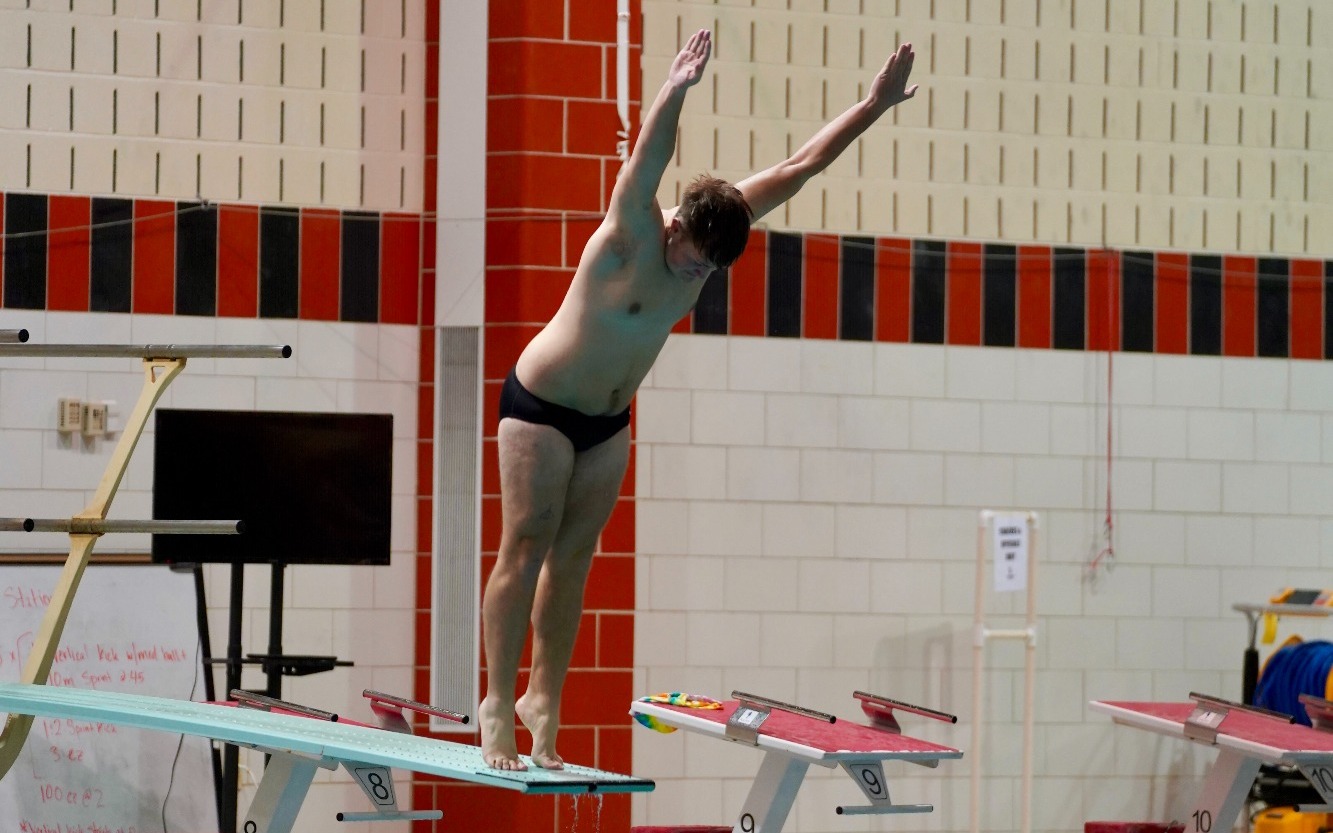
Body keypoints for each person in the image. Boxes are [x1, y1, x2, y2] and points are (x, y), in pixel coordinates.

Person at [479, 29, 919, 770]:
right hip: (541, 405)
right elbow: (644, 160)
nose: (694, 275)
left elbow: (799, 165)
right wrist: (674, 88)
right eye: (692, 260)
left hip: (607, 421)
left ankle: (541, 698)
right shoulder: (629, 235)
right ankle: (496, 700)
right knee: (525, 545)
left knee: (575, 558)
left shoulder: (717, 229)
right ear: (675, 225)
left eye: (710, 269)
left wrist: (871, 106)